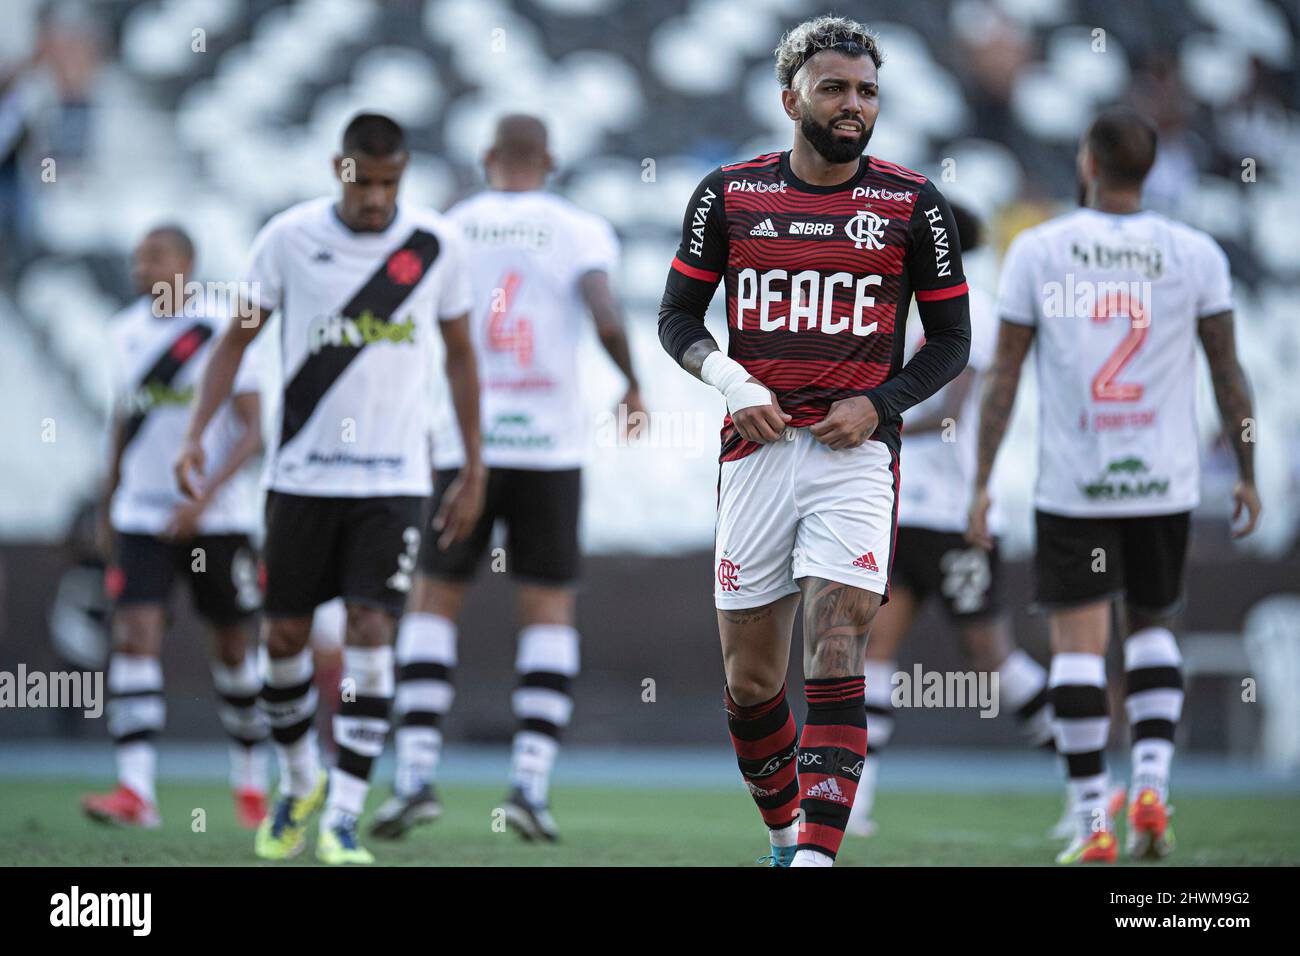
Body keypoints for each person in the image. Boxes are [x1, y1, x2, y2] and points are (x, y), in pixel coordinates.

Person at [657, 15, 971, 867]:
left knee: (838, 647)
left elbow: (952, 342)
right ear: (790, 95)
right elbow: (677, 317)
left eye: (867, 91)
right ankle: (785, 836)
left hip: (856, 459)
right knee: (751, 685)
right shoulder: (728, 194)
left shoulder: (913, 204)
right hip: (755, 453)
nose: (853, 105)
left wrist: (880, 403)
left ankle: (817, 861)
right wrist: (734, 382)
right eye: (834, 87)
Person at [175, 114, 485, 864]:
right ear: (338, 168)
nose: (377, 198)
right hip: (300, 480)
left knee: (371, 631)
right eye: (365, 180)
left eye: (390, 182)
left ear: (403, 173)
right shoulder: (286, 239)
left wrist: (472, 467)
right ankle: (299, 782)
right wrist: (194, 431)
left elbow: (462, 359)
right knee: (281, 637)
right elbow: (236, 341)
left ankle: (343, 815)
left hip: (393, 482)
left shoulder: (435, 246)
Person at [970, 107, 1261, 863]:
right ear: (1150, 168)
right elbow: (1229, 374)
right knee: (1156, 629)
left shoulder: (1038, 250)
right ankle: (1155, 788)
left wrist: (979, 481)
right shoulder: (1195, 253)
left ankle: (1094, 816)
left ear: (1089, 164)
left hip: (1075, 484)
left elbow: (1002, 378)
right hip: (1163, 484)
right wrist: (1251, 471)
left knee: (1077, 646)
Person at [372, 114, 643, 842]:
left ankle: (415, 776)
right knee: (549, 609)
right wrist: (633, 383)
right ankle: (529, 785)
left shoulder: (453, 225)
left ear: (487, 156)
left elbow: (403, 308)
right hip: (550, 451)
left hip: (467, 447)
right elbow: (605, 311)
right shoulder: (580, 228)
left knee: (433, 601)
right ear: (549, 161)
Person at [844, 205, 1052, 838]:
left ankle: (1087, 775)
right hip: (900, 505)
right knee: (873, 645)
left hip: (958, 512)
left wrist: (875, 417)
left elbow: (958, 409)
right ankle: (858, 802)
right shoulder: (899, 308)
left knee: (988, 652)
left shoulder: (975, 313)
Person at [83, 226, 268, 830]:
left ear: (186, 263)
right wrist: (111, 504)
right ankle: (136, 791)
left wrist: (203, 498)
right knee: (135, 633)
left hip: (216, 519)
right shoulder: (122, 332)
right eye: (139, 258)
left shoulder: (224, 327)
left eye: (155, 257)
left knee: (234, 648)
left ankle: (251, 779)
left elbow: (252, 429)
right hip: (141, 514)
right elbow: (122, 422)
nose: (143, 268)